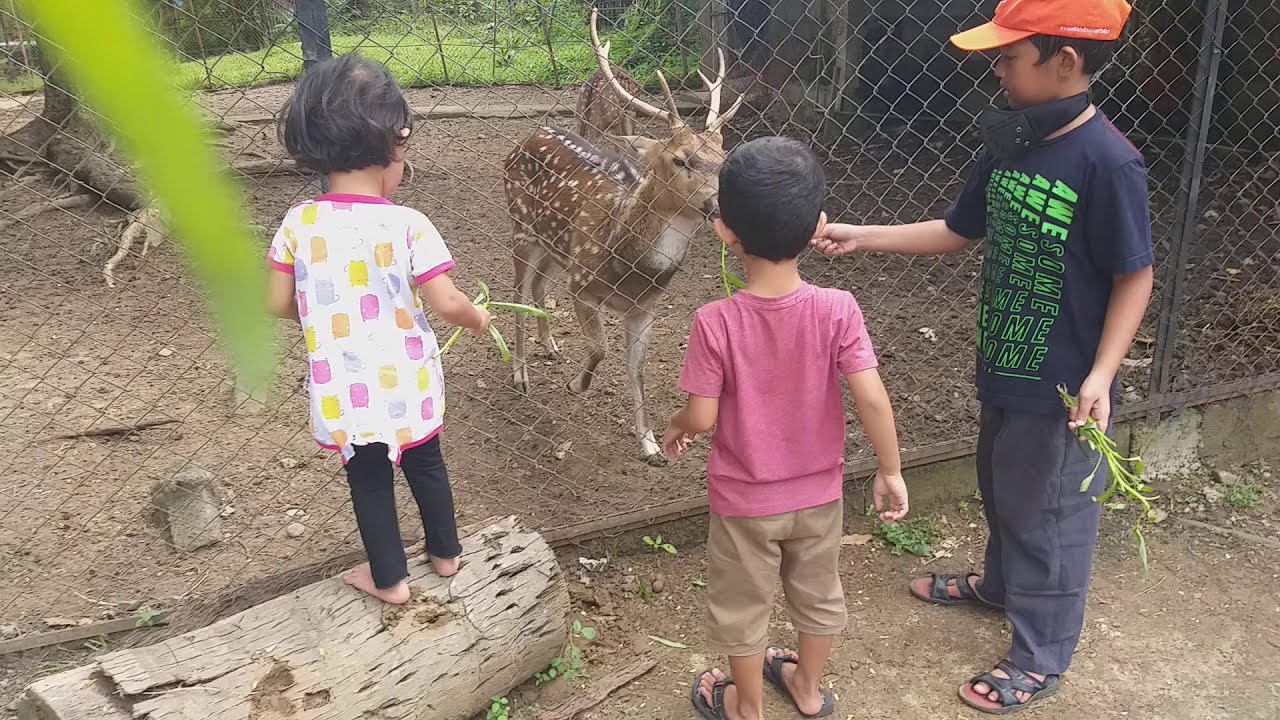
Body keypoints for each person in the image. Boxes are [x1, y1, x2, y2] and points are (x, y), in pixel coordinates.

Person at [811, 0, 1154, 713]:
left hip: (1063, 384)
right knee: (1002, 487)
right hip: (1005, 361)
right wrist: (861, 235)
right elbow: (956, 229)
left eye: (1008, 57)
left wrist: (1101, 374)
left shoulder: (1109, 161)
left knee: (1050, 512)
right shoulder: (1013, 139)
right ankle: (1001, 586)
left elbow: (1135, 274)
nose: (995, 69)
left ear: (1065, 61)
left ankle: (1041, 652)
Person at [664, 136, 908, 720]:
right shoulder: (839, 308)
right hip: (818, 494)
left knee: (744, 606)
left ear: (726, 231)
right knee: (818, 595)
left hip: (746, 501)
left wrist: (678, 426)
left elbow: (702, 416)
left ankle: (746, 705)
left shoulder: (714, 322)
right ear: (818, 225)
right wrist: (891, 469)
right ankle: (807, 688)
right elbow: (872, 398)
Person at [265, 54, 490, 605]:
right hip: (408, 378)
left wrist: (316, 312)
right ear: (393, 146)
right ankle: (446, 554)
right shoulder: (407, 223)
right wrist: (477, 318)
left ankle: (389, 579)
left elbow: (276, 302)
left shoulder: (300, 222)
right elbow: (447, 300)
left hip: (346, 386)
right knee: (426, 461)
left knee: (368, 478)